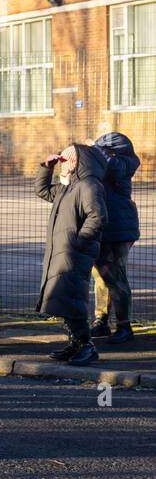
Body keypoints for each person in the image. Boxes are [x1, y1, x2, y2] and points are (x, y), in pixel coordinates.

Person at [35, 144, 108, 366]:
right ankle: (76, 343)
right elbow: (42, 191)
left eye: (64, 160)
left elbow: (97, 216)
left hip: (74, 252)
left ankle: (87, 346)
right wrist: (45, 167)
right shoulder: (68, 187)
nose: (61, 164)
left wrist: (78, 241)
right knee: (63, 297)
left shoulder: (88, 185)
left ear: (76, 163)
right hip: (62, 252)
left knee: (71, 298)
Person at [90, 132, 140, 346]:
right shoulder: (108, 162)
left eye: (103, 149)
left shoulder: (124, 163)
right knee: (100, 277)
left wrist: (93, 148)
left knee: (116, 278)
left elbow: (108, 162)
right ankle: (101, 320)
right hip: (105, 228)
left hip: (119, 229)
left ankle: (124, 326)